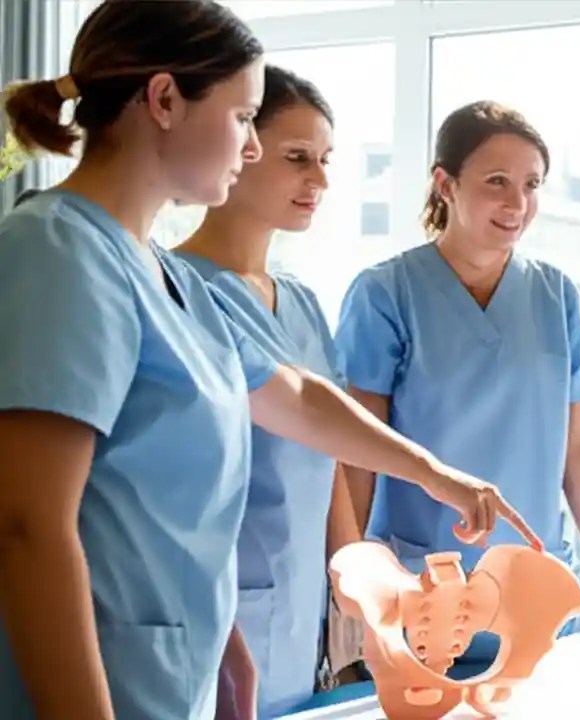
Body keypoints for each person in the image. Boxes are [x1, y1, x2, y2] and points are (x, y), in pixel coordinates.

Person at [0, 3, 534, 719]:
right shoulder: (57, 252)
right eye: (245, 116)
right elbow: (26, 524)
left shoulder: (172, 279)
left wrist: (435, 474)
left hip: (170, 677)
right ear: (163, 101)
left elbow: (296, 396)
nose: (251, 147)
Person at [333, 100, 580, 678]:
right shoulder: (385, 294)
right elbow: (356, 454)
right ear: (445, 184)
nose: (517, 203)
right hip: (419, 593)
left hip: (532, 595)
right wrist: (346, 593)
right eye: (496, 181)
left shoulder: (560, 298)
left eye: (531, 184)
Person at [171, 64, 358, 717]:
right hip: (221, 606)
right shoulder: (177, 286)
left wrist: (351, 579)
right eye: (298, 158)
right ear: (243, 147)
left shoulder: (302, 301)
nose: (321, 181)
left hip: (302, 605)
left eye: (326, 160)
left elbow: (328, 446)